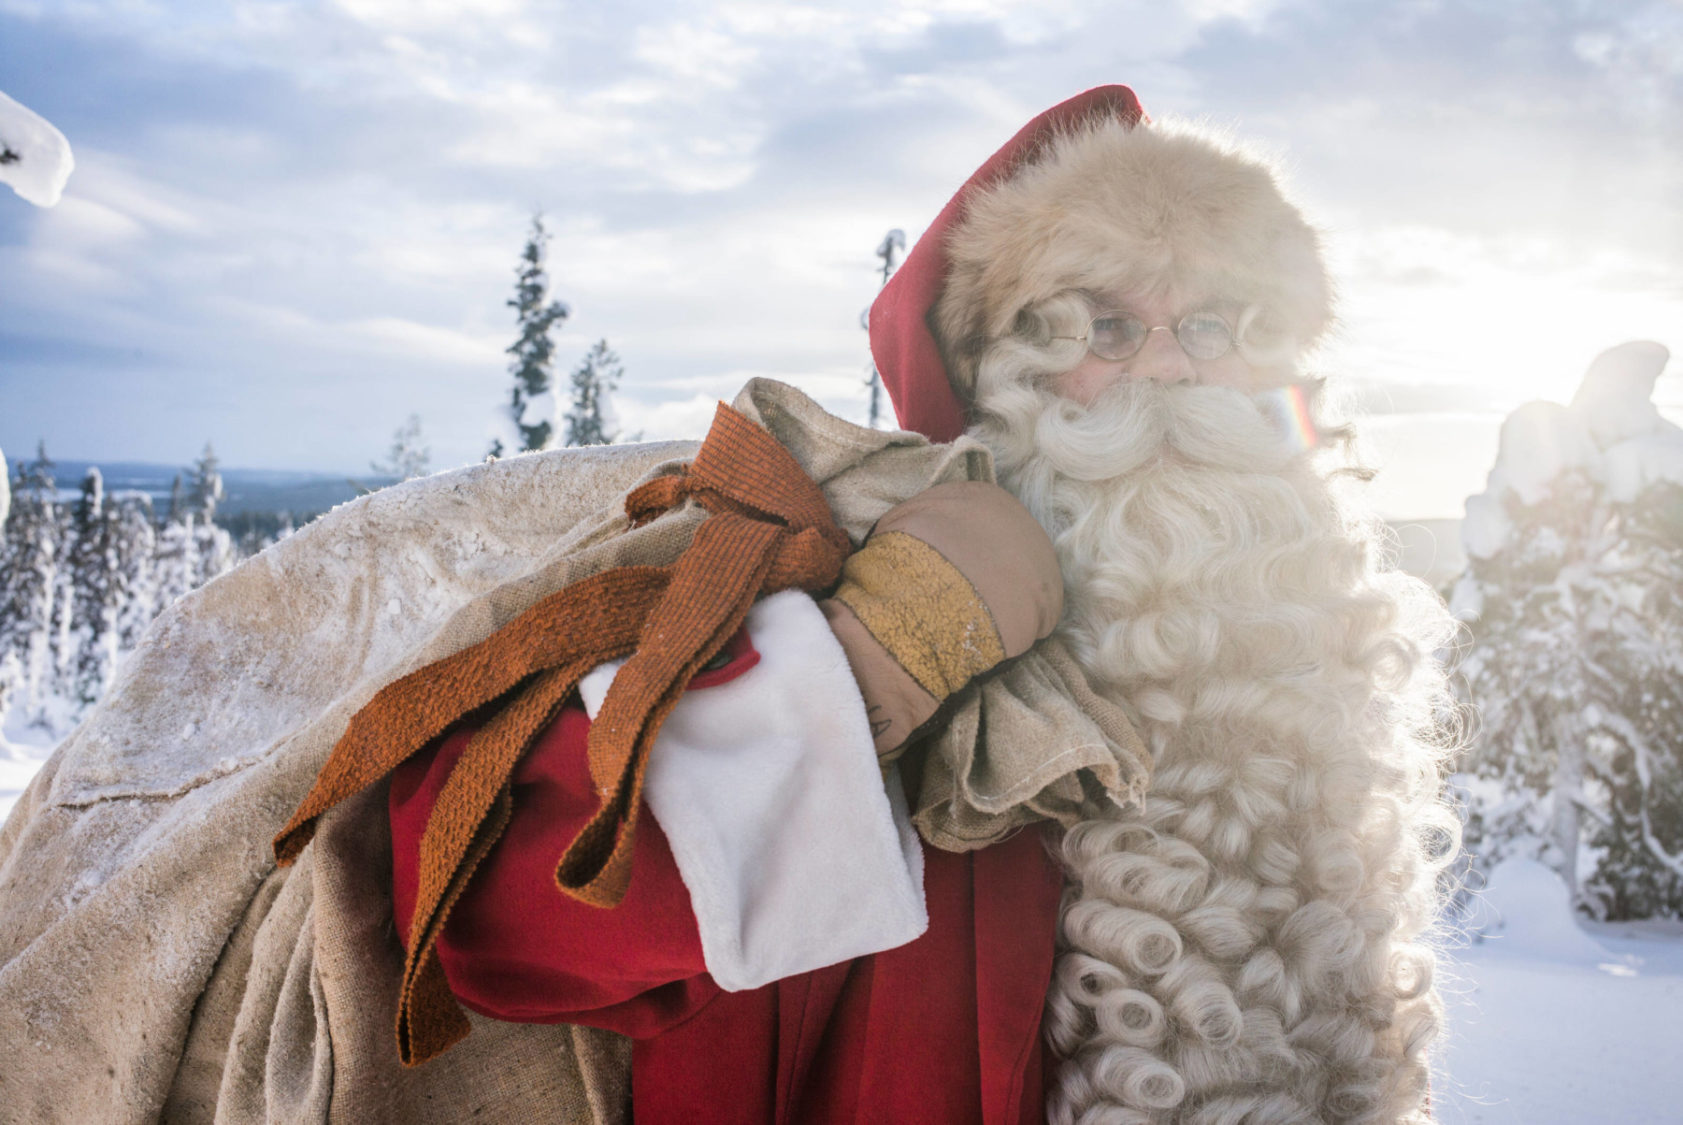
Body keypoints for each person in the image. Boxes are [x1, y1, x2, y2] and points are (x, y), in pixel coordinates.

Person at [0, 85, 1455, 1124]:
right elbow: (488, 923)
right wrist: (880, 657)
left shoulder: (1310, 692)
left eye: (1215, 330)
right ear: (987, 356)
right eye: (1100, 325)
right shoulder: (806, 557)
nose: (1167, 379)